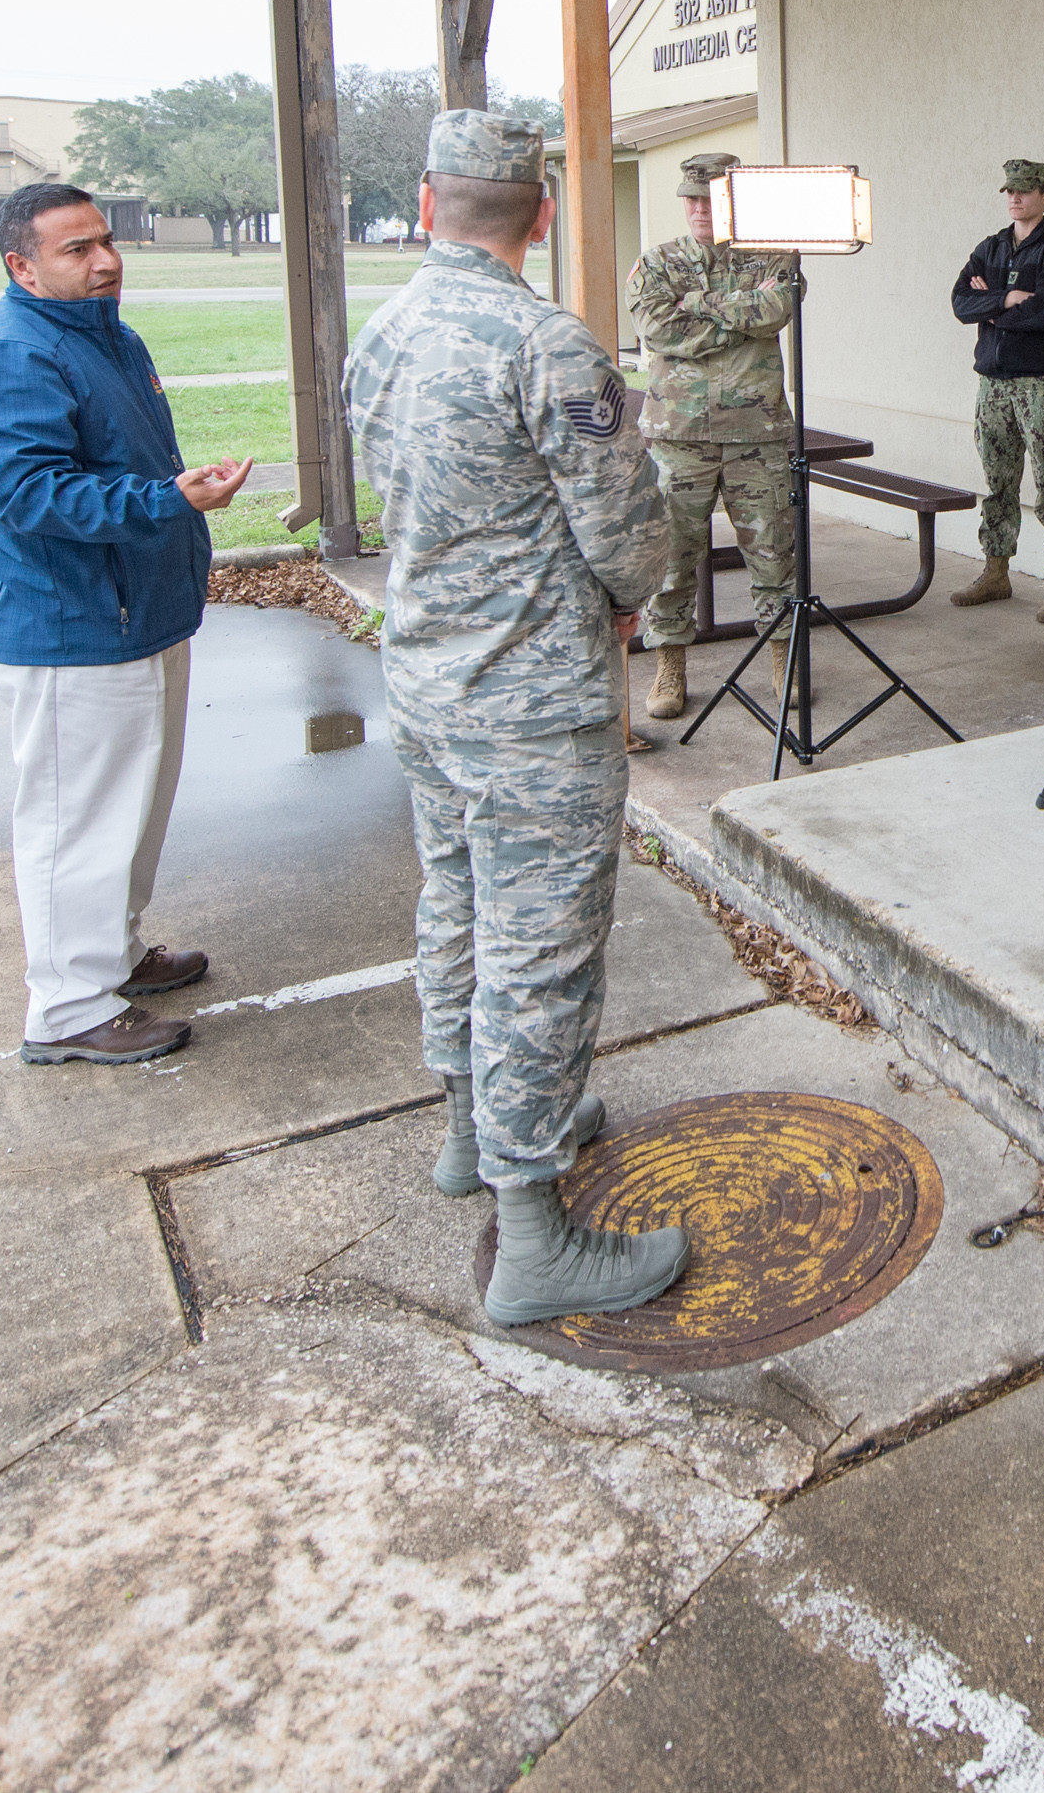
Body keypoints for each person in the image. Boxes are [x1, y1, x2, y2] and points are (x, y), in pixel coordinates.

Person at [345, 110, 687, 1327]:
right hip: (531, 704)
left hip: (429, 685)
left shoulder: (382, 331)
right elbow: (627, 533)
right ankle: (534, 1233)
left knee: (455, 904)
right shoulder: (546, 344)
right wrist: (637, 596)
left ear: (429, 202)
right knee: (539, 952)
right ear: (538, 213)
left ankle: (466, 1130)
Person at [0, 181, 253, 1068]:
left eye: (106, 241)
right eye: (76, 249)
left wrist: (173, 497)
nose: (105, 260)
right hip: (74, 626)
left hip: (142, 613)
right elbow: (29, 491)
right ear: (22, 266)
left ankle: (112, 952)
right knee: (73, 819)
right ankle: (67, 1006)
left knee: (134, 808)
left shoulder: (108, 336)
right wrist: (166, 499)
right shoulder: (9, 356)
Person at [627, 150, 800, 720]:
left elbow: (775, 311)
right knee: (673, 557)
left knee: (773, 552)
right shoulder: (656, 263)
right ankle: (670, 665)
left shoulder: (774, 254)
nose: (700, 209)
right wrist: (735, 317)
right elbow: (657, 329)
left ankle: (782, 656)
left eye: (713, 198)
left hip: (758, 434)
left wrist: (696, 306)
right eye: (692, 199)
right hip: (678, 437)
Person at [949, 158, 1044, 623]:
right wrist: (1002, 300)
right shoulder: (990, 248)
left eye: (1025, 191)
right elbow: (958, 302)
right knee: (998, 480)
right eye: (1010, 190)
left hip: (1042, 384)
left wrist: (987, 308)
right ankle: (996, 570)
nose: (1015, 198)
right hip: (993, 383)